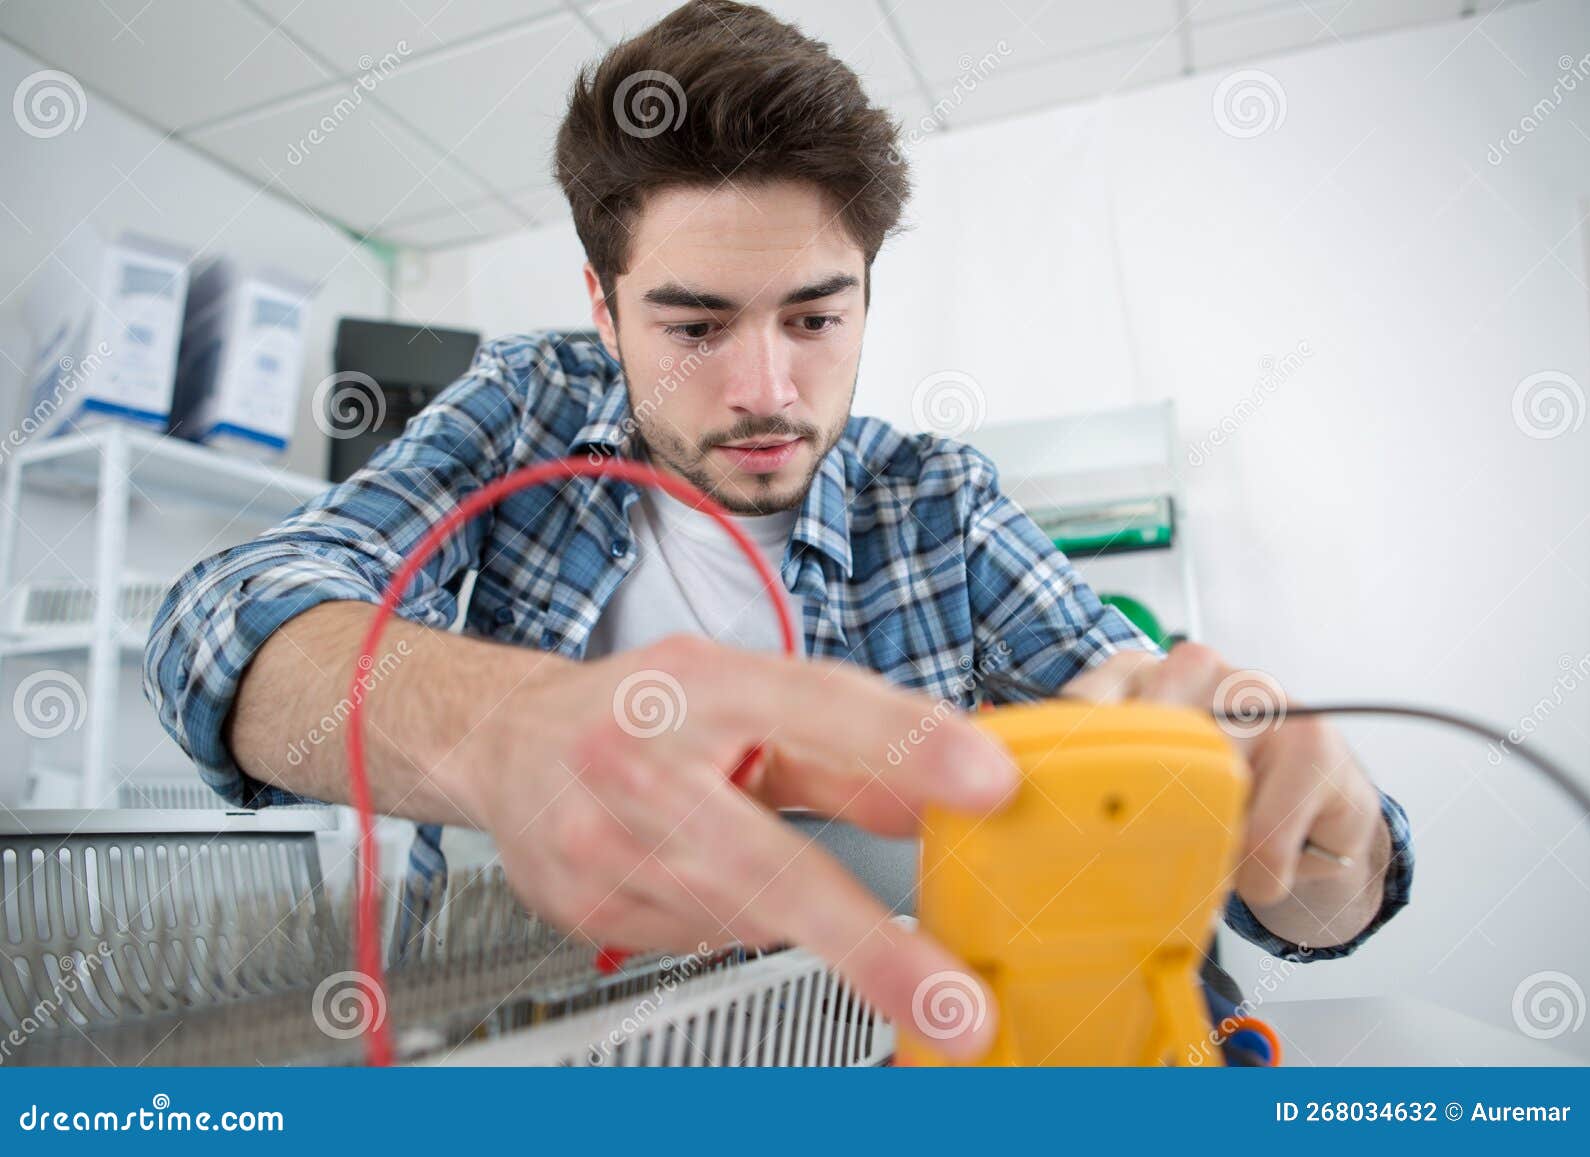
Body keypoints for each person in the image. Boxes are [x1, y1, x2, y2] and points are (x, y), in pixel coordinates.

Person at [144, 0, 1412, 1062]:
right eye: (695, 326)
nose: (764, 389)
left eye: (815, 317)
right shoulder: (529, 411)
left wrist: (1300, 837)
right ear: (603, 301)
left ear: (867, 288)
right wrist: (497, 726)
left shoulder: (934, 504)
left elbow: (1300, 874)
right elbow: (219, 618)